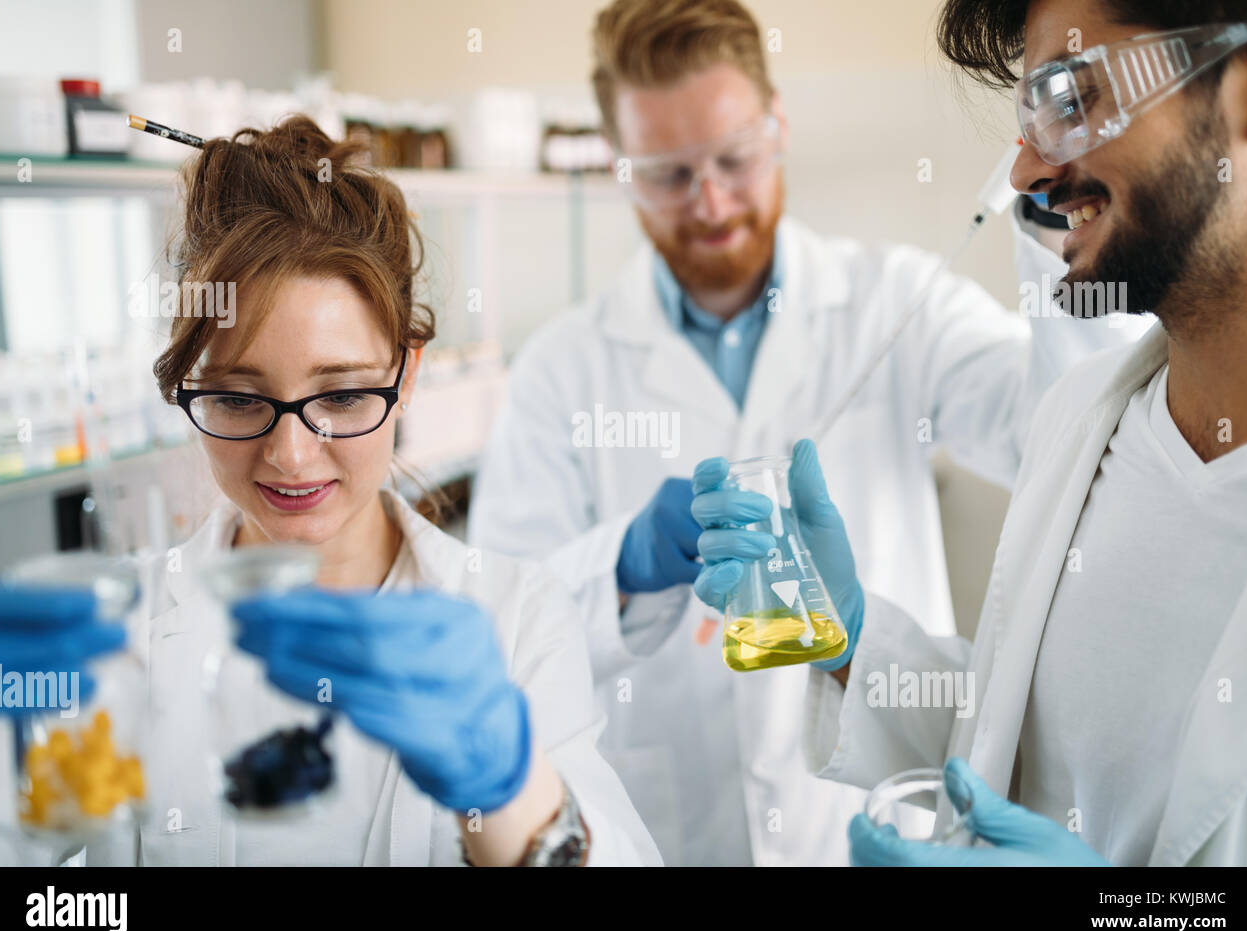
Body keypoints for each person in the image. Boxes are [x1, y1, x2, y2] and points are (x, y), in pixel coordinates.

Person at [467, 0, 1148, 865]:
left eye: (734, 158)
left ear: (777, 126)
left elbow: (1065, 437)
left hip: (864, 822)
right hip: (671, 831)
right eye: (669, 174)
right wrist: (621, 570)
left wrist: (1065, 231)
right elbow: (496, 628)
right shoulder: (563, 369)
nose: (710, 202)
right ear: (620, 167)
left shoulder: (896, 301)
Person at [0, 117, 660, 867]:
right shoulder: (122, 639)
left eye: (339, 397)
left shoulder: (517, 620)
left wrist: (516, 796)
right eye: (238, 399)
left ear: (407, 375)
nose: (292, 455)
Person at [693, 0, 1247, 865]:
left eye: (1072, 98)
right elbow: (1020, 745)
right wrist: (855, 641)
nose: (1027, 171)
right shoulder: (1084, 418)